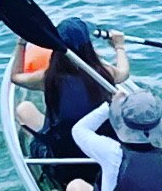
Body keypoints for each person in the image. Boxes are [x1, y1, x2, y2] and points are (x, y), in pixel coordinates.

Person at [12, 16, 125, 167]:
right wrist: (119, 46)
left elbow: (15, 77)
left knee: (24, 109)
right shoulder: (105, 73)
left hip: (63, 152)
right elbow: (124, 72)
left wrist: (22, 43)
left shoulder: (48, 78)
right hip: (102, 148)